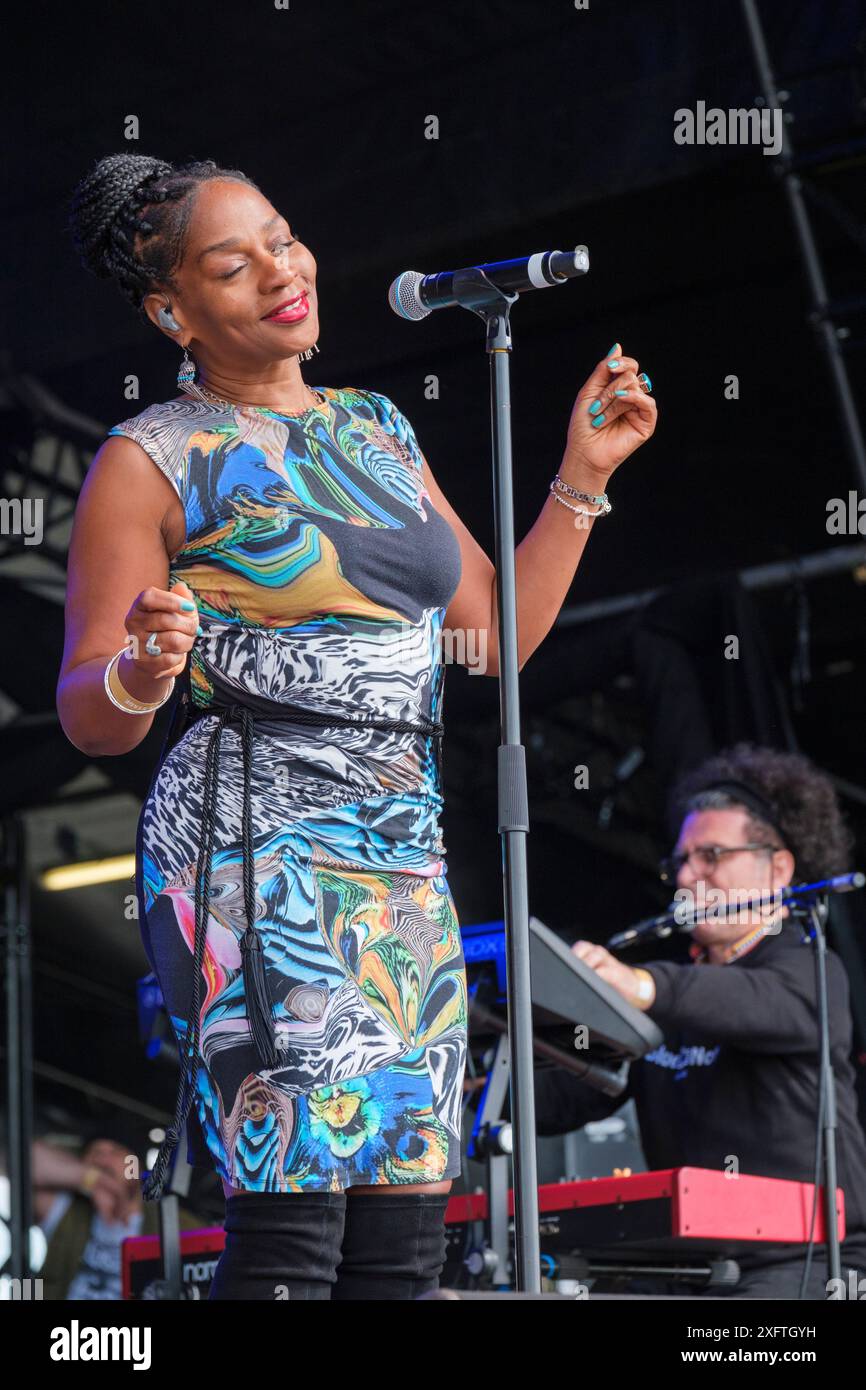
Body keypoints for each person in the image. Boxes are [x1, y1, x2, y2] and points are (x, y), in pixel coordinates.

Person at [57, 152, 657, 1300]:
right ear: (171, 310)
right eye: (235, 265)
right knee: (292, 1226)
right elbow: (90, 715)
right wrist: (139, 666)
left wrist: (579, 477)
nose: (283, 272)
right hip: (251, 849)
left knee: (403, 1237)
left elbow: (490, 643)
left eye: (284, 237)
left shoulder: (376, 425)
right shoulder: (149, 460)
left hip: (396, 849)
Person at [533, 744, 866, 1299]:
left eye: (711, 855)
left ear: (778, 867)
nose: (688, 875)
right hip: (693, 1262)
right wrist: (467, 1085)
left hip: (813, 1264)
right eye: (682, 861)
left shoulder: (809, 970)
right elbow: (575, 1090)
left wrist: (640, 985)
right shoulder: (676, 995)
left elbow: (749, 1001)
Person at [33, 1136, 202, 1300]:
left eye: (116, 1152)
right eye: (95, 1153)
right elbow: (23, 1158)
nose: (103, 1161)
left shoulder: (175, 1223)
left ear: (137, 1168)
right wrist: (94, 1179)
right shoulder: (69, 1210)